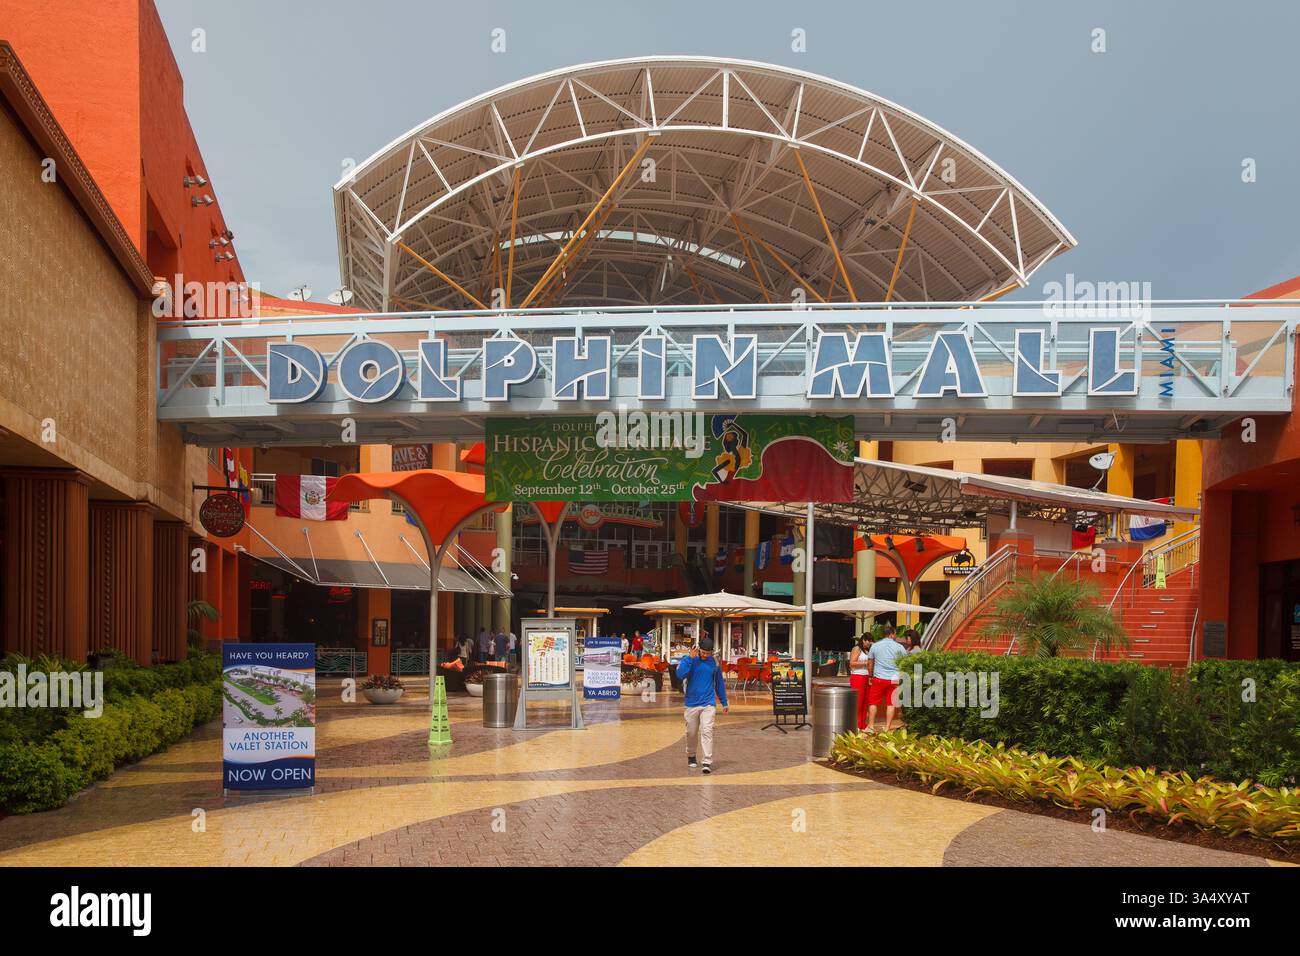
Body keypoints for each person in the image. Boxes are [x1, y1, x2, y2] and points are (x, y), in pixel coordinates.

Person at [675, 636, 729, 774]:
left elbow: (719, 683)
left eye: (708, 653)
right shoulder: (691, 659)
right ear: (698, 649)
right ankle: (691, 755)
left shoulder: (714, 663)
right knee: (691, 733)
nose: (705, 655)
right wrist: (689, 658)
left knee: (707, 731)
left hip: (708, 703)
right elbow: (680, 675)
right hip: (691, 703)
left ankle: (707, 761)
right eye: (703, 652)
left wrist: (724, 702)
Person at [866, 625, 908, 732]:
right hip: (894, 679)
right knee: (891, 704)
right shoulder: (900, 647)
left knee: (873, 702)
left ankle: (871, 726)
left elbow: (870, 664)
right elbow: (904, 663)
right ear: (892, 634)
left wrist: (870, 676)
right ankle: (887, 727)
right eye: (895, 634)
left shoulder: (875, 646)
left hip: (879, 678)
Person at [848, 634, 873, 731]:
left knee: (865, 702)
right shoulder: (857, 649)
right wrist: (866, 663)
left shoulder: (867, 650)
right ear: (863, 640)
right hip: (858, 676)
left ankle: (862, 724)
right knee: (858, 702)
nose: (870, 643)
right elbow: (852, 663)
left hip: (866, 677)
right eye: (869, 641)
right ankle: (856, 725)